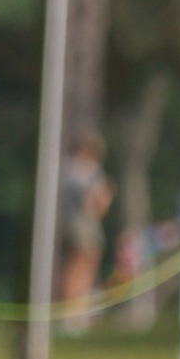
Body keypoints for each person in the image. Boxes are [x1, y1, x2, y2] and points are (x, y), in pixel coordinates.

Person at [56, 132, 115, 335]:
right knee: (80, 272)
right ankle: (73, 318)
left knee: (71, 270)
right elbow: (97, 204)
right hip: (83, 226)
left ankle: (71, 316)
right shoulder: (88, 170)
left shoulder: (65, 167)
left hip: (68, 225)